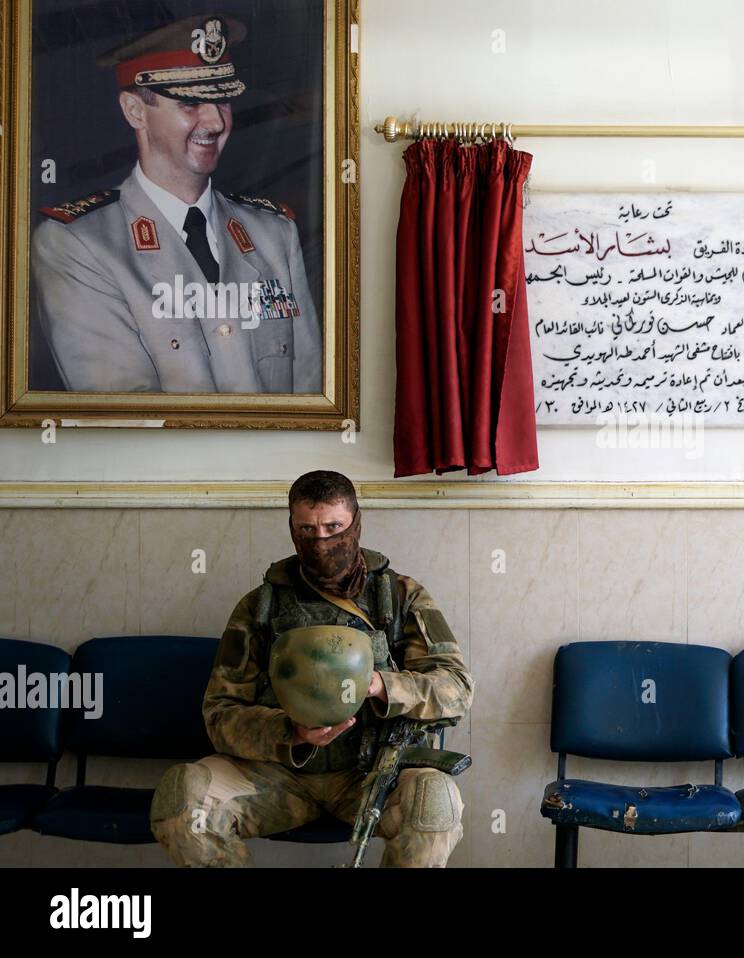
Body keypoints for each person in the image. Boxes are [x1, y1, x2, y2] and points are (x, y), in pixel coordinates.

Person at [150, 470, 473, 867]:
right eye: (307, 528)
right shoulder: (260, 607)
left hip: (372, 775)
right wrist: (291, 733)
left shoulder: (399, 596)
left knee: (434, 803)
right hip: (279, 775)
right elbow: (220, 713)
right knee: (182, 799)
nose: (322, 542)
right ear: (291, 527)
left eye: (334, 527)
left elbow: (456, 689)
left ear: (356, 522)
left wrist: (380, 685)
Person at [30, 14, 322, 394]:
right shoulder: (80, 245)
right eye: (190, 103)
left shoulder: (273, 233)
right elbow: (122, 410)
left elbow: (312, 391)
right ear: (135, 111)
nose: (215, 121)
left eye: (224, 101)